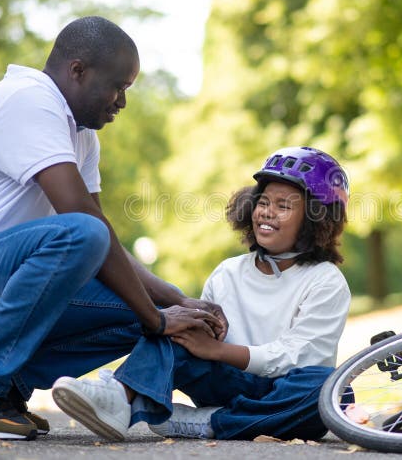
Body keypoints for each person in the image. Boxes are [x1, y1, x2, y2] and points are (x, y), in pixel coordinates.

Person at [0, 16, 225, 441]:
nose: (122, 102)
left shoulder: (82, 136)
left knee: (135, 311)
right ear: (78, 70)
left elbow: (104, 241)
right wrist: (158, 318)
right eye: (119, 86)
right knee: (87, 239)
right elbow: (82, 224)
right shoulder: (27, 100)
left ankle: (6, 387)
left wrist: (172, 302)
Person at [52, 146, 351, 441]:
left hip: (286, 394)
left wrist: (219, 351)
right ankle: (119, 396)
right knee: (177, 321)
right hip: (227, 382)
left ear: (316, 221)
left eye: (283, 206)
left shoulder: (326, 281)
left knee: (329, 389)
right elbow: (201, 339)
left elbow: (300, 357)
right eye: (263, 201)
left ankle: (209, 422)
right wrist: (199, 337)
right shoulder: (227, 272)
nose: (266, 212)